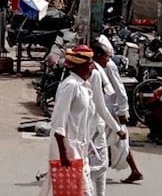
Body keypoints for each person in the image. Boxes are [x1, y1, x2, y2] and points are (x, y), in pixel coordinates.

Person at [38, 46, 97, 196]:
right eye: (90, 64)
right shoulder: (70, 85)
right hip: (69, 148)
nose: (92, 67)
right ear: (80, 66)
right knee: (81, 191)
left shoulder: (84, 86)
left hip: (80, 148)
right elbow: (58, 121)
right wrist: (63, 154)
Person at [93, 38, 143, 184]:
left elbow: (119, 90)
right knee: (117, 141)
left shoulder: (109, 66)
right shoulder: (95, 67)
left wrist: (122, 111)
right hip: (103, 110)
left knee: (109, 140)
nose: (107, 59)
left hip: (111, 110)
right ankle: (134, 170)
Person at [86, 45, 127, 196]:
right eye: (106, 57)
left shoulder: (100, 70)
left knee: (101, 167)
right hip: (92, 127)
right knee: (92, 169)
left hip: (98, 125)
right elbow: (100, 106)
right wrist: (117, 128)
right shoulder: (95, 74)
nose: (108, 60)